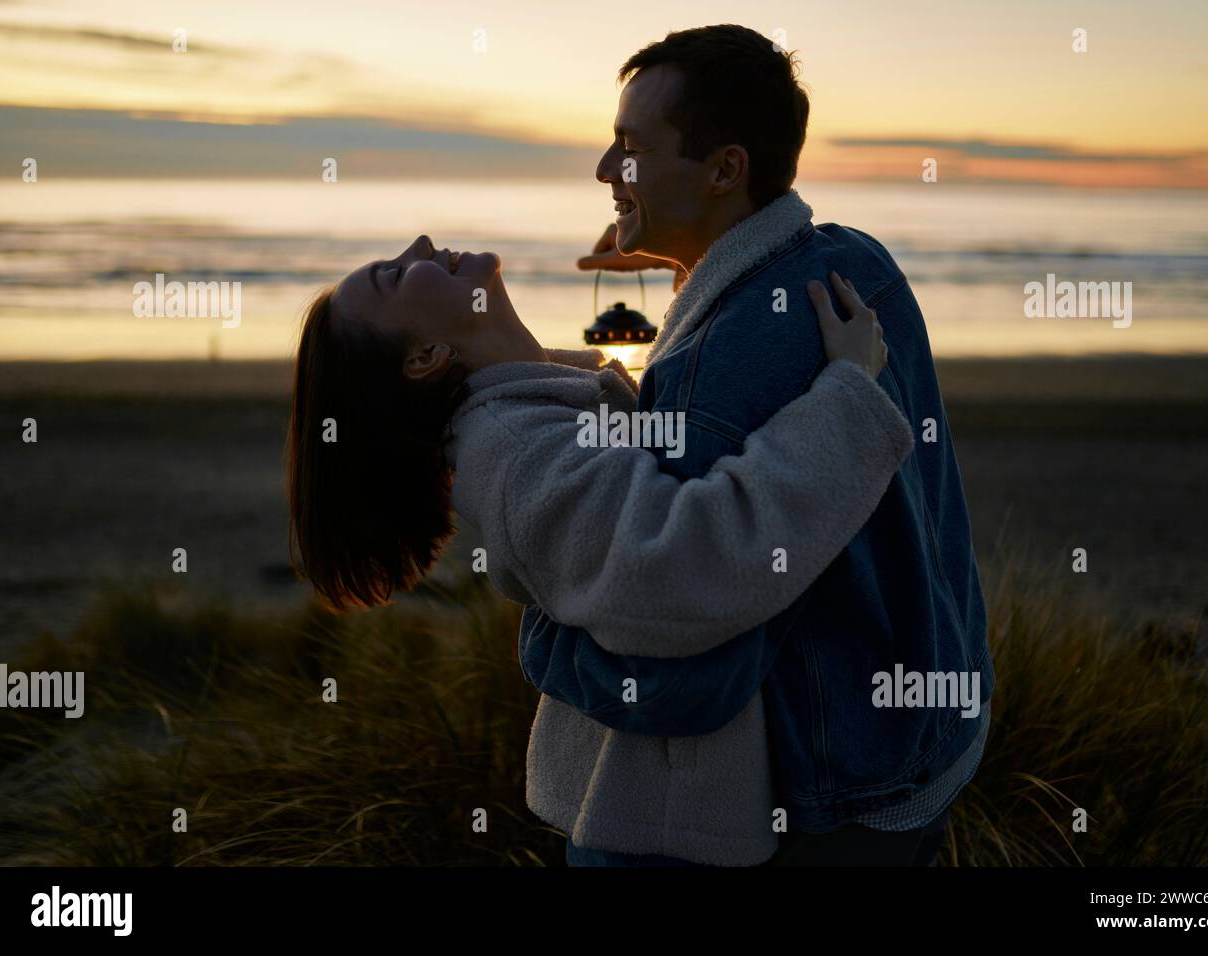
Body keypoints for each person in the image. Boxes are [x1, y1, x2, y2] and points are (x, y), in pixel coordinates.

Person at [519, 23, 995, 866]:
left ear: (725, 170)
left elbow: (678, 646)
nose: (603, 169)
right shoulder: (854, 264)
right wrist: (679, 262)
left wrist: (541, 615)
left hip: (831, 791)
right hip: (936, 736)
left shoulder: (717, 361)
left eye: (630, 149)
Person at [286, 232, 914, 866]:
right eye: (395, 276)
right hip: (660, 841)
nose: (420, 242)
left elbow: (668, 468)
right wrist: (847, 396)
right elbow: (690, 567)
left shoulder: (541, 409)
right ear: (425, 355)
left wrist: (689, 255)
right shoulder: (518, 457)